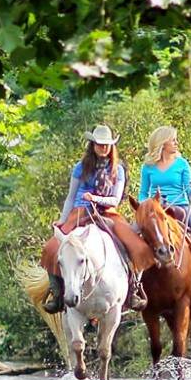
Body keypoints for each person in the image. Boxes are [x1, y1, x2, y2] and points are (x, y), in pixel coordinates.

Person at [56, 123, 146, 311]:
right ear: (93, 145)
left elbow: (114, 199)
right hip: (81, 211)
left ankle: (134, 290)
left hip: (106, 211)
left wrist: (95, 198)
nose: (103, 148)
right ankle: (56, 292)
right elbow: (71, 197)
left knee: (136, 245)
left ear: (112, 146)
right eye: (99, 144)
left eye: (106, 144)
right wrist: (63, 220)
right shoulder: (80, 168)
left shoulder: (118, 169)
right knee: (53, 248)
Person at [137, 125, 191, 291]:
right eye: (173, 140)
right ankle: (132, 282)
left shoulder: (182, 164)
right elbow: (143, 193)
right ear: (162, 143)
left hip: (180, 207)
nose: (176, 143)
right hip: (155, 210)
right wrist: (148, 204)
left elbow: (187, 190)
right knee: (131, 234)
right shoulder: (147, 167)